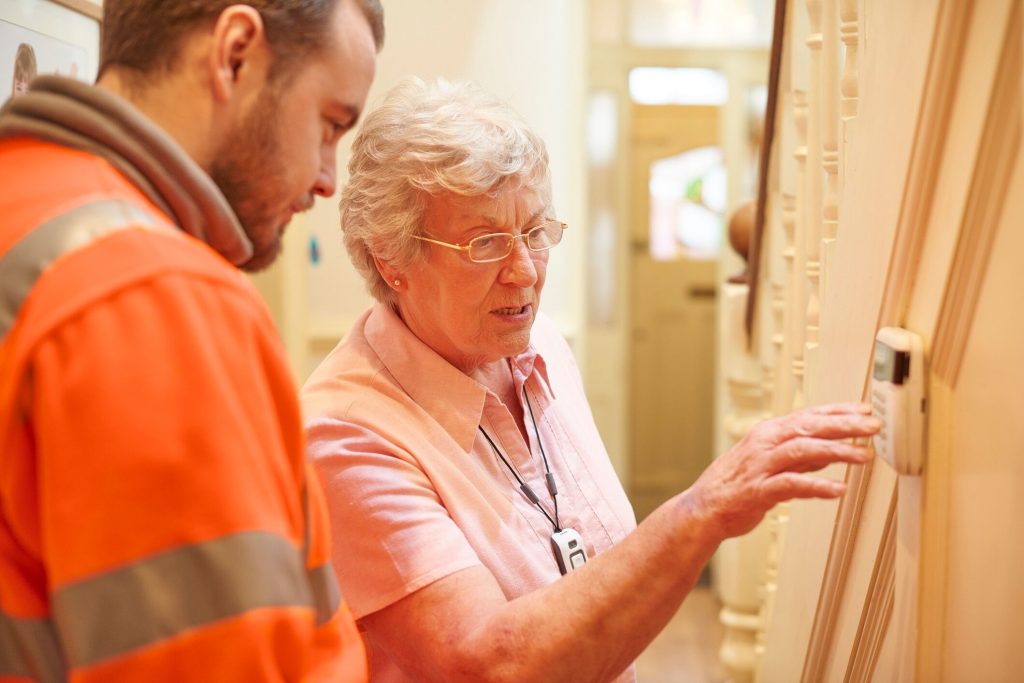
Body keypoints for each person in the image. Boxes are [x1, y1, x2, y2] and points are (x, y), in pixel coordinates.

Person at [301, 78, 881, 683]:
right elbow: (487, 664)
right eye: (484, 243)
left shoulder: (537, 343)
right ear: (392, 260)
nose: (524, 271)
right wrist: (702, 512)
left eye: (534, 231)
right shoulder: (344, 435)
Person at [0, 1, 381, 680]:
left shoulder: (23, 203)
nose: (328, 177)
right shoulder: (157, 293)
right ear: (234, 53)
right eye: (330, 124)